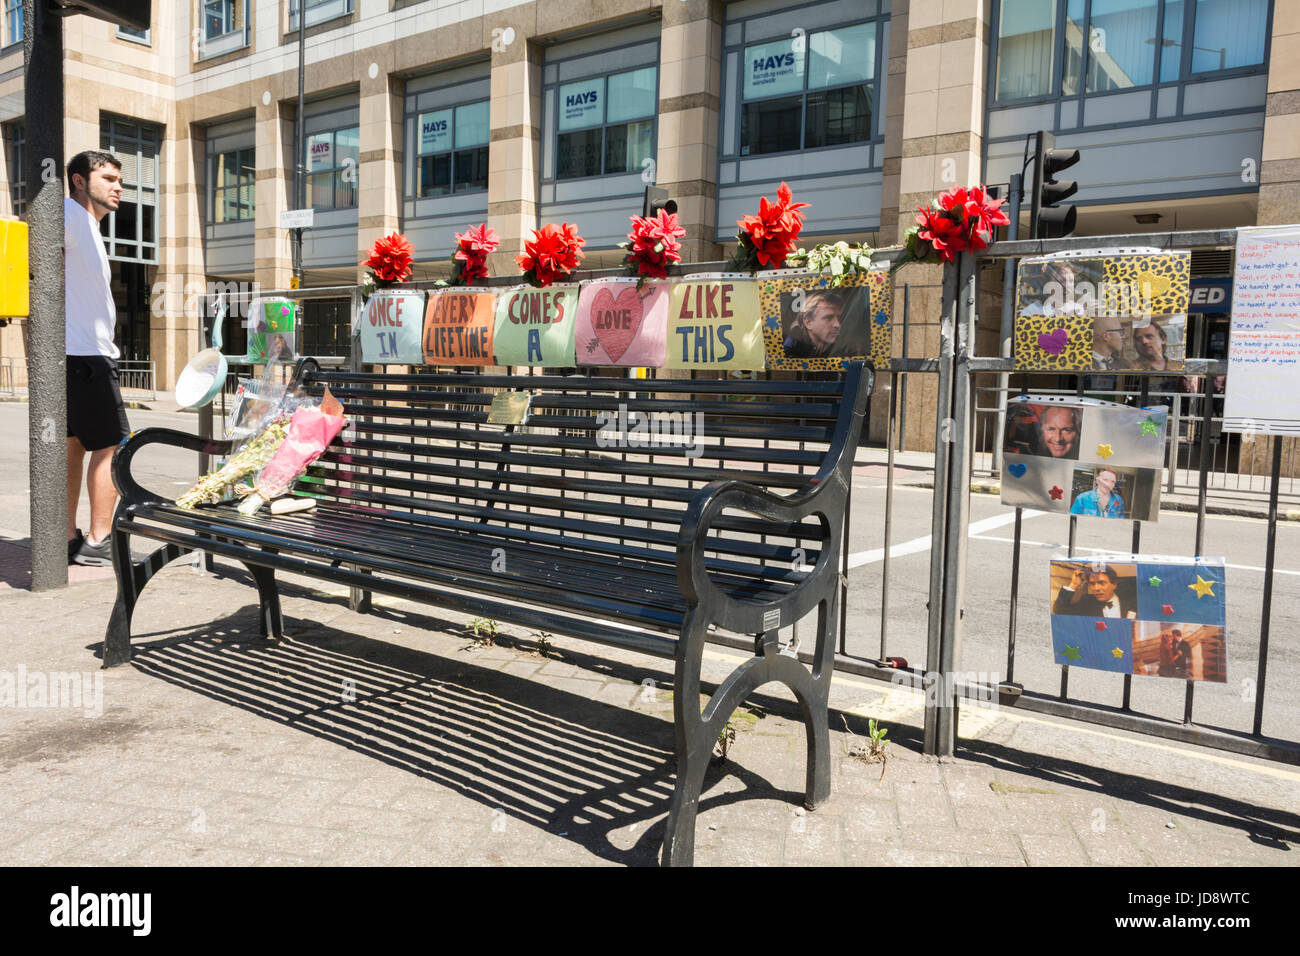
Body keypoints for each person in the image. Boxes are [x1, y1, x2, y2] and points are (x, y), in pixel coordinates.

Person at [64, 150, 127, 566]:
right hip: (87, 356)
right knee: (113, 447)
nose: (118, 187)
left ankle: (66, 536)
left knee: (73, 446)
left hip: (74, 356)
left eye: (120, 180)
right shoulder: (69, 215)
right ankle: (100, 540)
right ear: (79, 181)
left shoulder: (87, 225)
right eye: (108, 178)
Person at [1053, 565, 1136, 618]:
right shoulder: (1085, 603)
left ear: (1114, 584)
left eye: (1102, 583)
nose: (1096, 588)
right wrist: (1073, 585)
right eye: (1092, 584)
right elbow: (1059, 611)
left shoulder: (1132, 603)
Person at [784, 290, 847, 358]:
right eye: (828, 318)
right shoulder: (791, 353)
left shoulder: (842, 350)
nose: (837, 325)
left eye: (839, 318)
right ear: (808, 323)